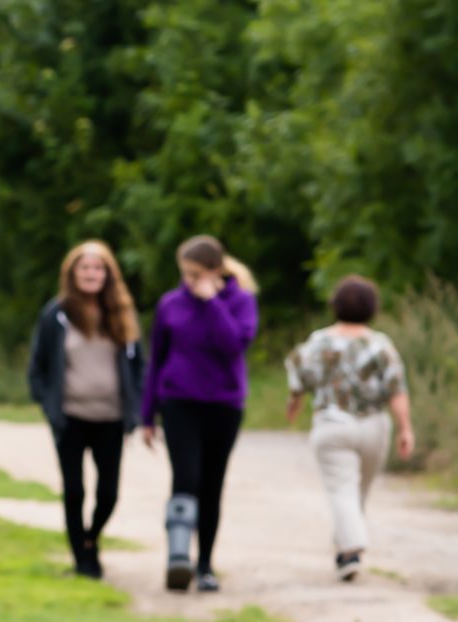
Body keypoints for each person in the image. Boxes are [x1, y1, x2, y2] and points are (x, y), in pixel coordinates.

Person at [140, 235, 260, 593]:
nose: (188, 281)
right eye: (185, 274)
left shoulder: (241, 303)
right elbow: (156, 358)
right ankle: (178, 559)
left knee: (211, 484)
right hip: (180, 403)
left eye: (195, 274)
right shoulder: (170, 304)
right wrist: (147, 416)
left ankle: (205, 564)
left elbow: (234, 346)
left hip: (223, 405)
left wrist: (212, 304)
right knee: (185, 478)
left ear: (215, 271)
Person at [26, 239, 144, 578]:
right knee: (74, 490)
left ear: (108, 274)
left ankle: (91, 537)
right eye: (85, 268)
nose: (91, 274)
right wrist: (49, 406)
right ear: (72, 274)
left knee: (108, 492)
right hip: (71, 418)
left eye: (98, 268)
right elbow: (38, 366)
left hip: (111, 417)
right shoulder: (56, 314)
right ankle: (83, 561)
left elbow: (139, 365)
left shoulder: (122, 313)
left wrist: (138, 407)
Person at [285, 275, 415, 581]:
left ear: (335, 306)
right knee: (357, 491)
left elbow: (299, 373)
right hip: (373, 424)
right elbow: (396, 389)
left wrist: (295, 401)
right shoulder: (381, 345)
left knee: (343, 491)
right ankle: (349, 550)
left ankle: (350, 547)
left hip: (332, 424)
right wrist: (405, 428)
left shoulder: (318, 342)